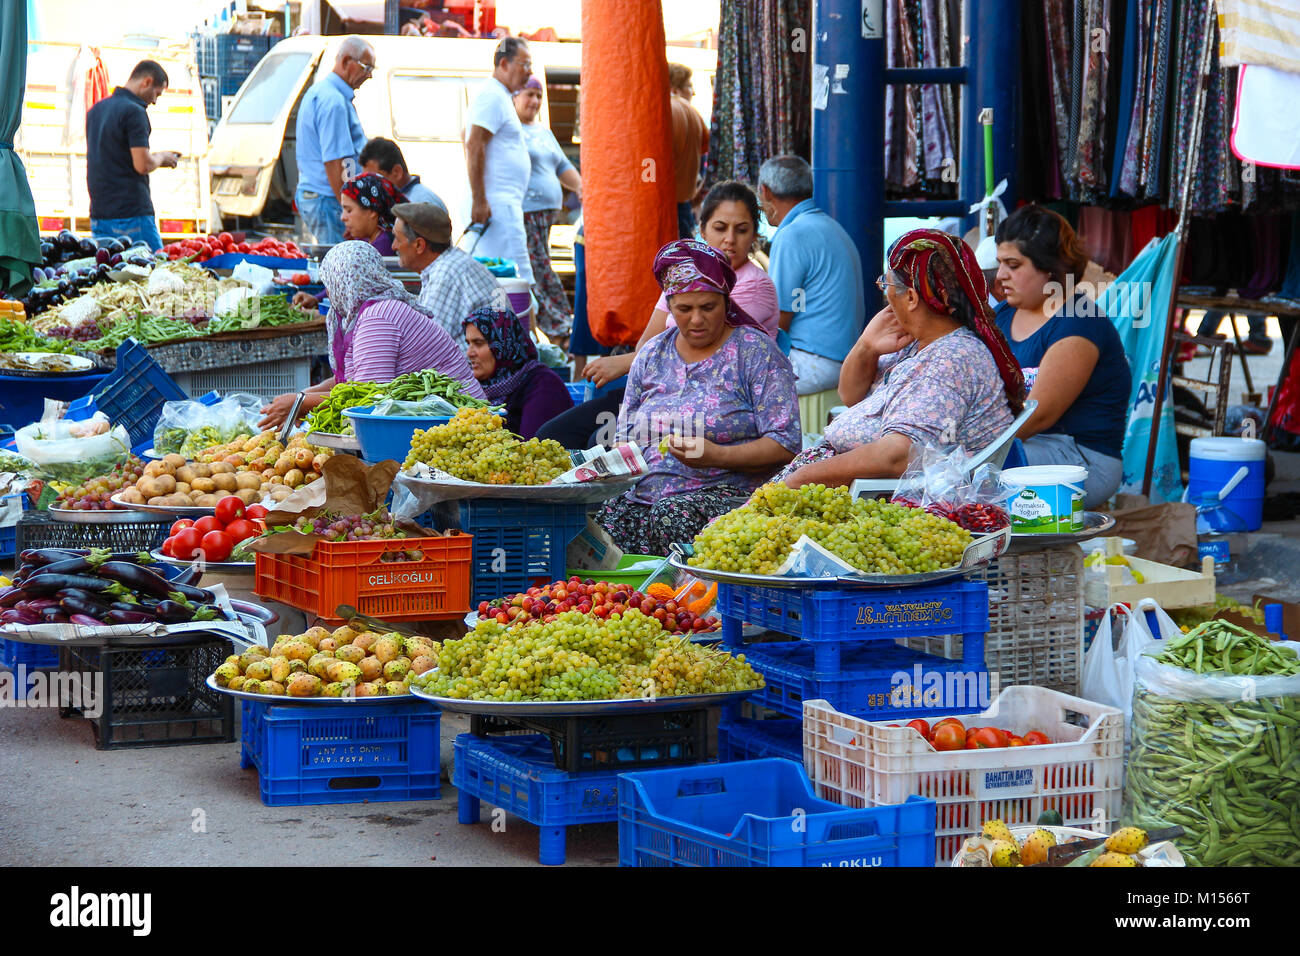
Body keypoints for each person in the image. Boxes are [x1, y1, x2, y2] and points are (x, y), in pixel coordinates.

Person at [593, 240, 801, 556]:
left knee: (670, 516)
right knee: (601, 515)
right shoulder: (651, 354)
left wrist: (717, 455)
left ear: (725, 300)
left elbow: (785, 443)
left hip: (727, 495)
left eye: (708, 307)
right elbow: (626, 436)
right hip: (644, 494)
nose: (696, 320)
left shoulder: (755, 353)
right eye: (684, 309)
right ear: (670, 306)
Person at [538, 182, 780, 450]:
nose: (730, 240)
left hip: (711, 403)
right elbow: (646, 346)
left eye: (742, 230)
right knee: (552, 436)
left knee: (601, 442)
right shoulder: (682, 274)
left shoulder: (754, 287)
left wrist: (623, 363)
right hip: (657, 391)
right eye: (720, 228)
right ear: (702, 230)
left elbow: (708, 350)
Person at [779, 230, 1022, 488]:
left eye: (888, 284)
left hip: (880, 498)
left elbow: (898, 456)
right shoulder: (917, 341)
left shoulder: (951, 360)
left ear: (911, 297)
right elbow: (850, 395)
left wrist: (801, 478)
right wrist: (866, 346)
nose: (886, 295)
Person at [994, 204, 1132, 508]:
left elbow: (1037, 416)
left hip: (1081, 460)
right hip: (1025, 445)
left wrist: (968, 447)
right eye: (1000, 263)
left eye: (1013, 265)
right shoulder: (1002, 316)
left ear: (1050, 269)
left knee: (970, 475)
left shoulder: (1078, 324)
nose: (1001, 275)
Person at [260, 241, 484, 429]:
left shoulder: (378, 317)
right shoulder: (371, 312)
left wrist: (301, 402)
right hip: (441, 418)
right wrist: (307, 393)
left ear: (345, 282)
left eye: (330, 284)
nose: (328, 293)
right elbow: (354, 379)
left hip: (461, 422)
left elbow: (370, 398)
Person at [759, 155, 866, 395]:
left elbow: (779, 320)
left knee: (732, 379)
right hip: (844, 360)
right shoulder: (831, 227)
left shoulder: (792, 234)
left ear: (765, 192)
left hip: (815, 363)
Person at [514, 75, 581, 342]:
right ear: (514, 97)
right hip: (525, 211)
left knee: (542, 265)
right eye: (529, 94)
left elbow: (562, 166)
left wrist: (581, 188)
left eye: (538, 96)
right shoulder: (511, 129)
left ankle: (558, 325)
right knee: (538, 268)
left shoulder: (544, 132)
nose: (535, 101)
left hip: (546, 214)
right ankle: (557, 324)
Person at [85, 60, 178, 251]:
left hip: (99, 214)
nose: (154, 101)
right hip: (131, 214)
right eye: (156, 93)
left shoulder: (96, 110)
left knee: (111, 274)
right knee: (155, 269)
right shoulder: (134, 112)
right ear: (146, 81)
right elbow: (142, 164)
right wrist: (162, 157)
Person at [465, 37, 534, 283]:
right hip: (496, 207)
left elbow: (465, 136)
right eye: (524, 65)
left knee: (514, 280)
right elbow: (474, 143)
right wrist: (480, 200)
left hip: (501, 205)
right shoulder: (492, 96)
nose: (530, 72)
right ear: (504, 63)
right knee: (514, 280)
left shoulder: (500, 96)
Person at [390, 202, 503, 348]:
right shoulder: (447, 264)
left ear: (419, 245)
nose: (393, 246)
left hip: (479, 367)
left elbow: (427, 345)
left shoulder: (445, 274)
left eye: (398, 239)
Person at [294, 37, 374, 246]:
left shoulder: (323, 93)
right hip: (327, 200)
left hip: (321, 198)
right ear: (347, 61)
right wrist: (347, 210)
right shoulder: (333, 102)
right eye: (366, 67)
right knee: (339, 269)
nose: (370, 75)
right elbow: (335, 162)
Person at [463, 308, 573, 439]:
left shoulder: (543, 384)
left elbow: (533, 450)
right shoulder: (481, 387)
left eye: (478, 343)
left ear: (503, 344)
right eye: (468, 343)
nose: (469, 353)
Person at [669, 63, 708, 239]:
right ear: (674, 89)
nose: (693, 92)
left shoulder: (661, 111)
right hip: (684, 205)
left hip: (664, 205)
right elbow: (708, 155)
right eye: (689, 86)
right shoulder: (694, 114)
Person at [359, 136, 447, 211]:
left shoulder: (420, 204)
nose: (370, 187)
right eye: (366, 181)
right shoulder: (390, 200)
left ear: (396, 172)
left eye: (375, 180)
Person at [340, 173, 401, 256]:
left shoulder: (382, 246)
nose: (342, 217)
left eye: (349, 210)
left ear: (372, 211)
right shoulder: (365, 239)